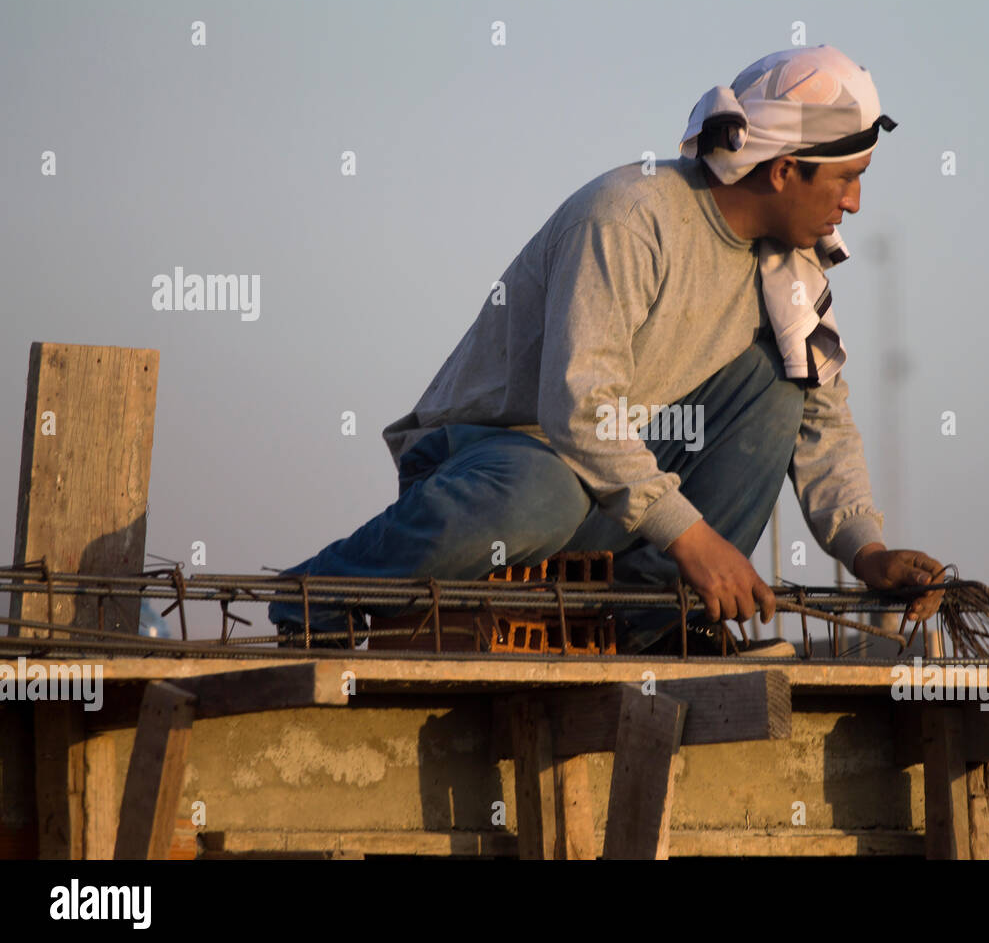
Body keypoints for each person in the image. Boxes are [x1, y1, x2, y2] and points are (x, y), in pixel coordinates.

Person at [267, 44, 946, 654]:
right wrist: (693, 538)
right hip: (491, 463)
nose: (854, 203)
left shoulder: (793, 269)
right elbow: (580, 413)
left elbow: (823, 424)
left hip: (614, 480)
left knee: (779, 385)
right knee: (549, 492)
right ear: (783, 171)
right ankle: (320, 591)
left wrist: (867, 551)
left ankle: (655, 625)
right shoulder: (628, 218)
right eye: (845, 179)